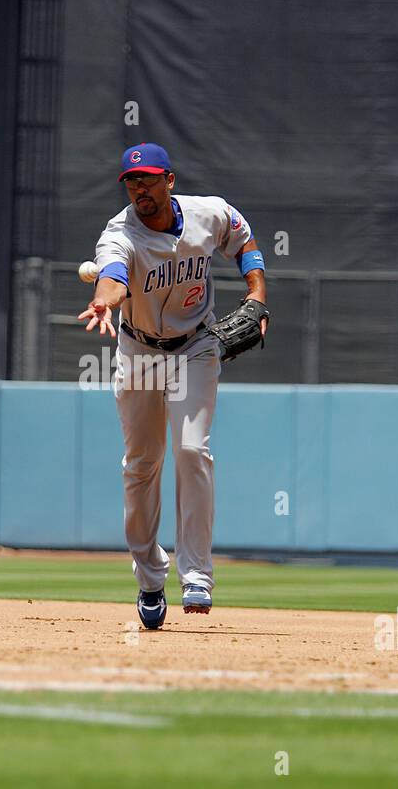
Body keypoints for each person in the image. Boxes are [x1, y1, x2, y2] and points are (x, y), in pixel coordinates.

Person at [79, 142, 267, 629]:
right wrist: (105, 300)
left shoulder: (210, 213)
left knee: (191, 449)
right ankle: (149, 577)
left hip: (195, 347)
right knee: (141, 465)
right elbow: (114, 276)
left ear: (170, 180)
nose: (140, 188)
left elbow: (245, 242)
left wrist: (257, 296)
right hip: (139, 352)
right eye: (131, 181)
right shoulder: (119, 234)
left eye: (148, 178)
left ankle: (197, 574)